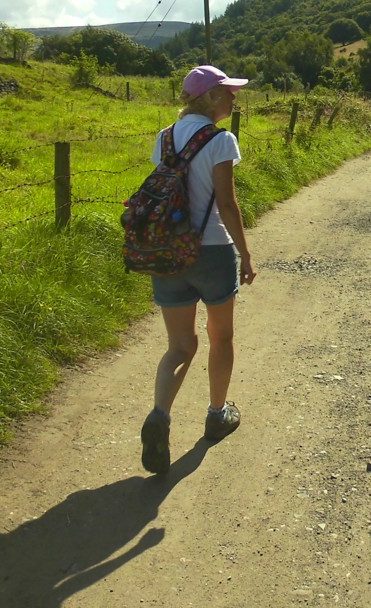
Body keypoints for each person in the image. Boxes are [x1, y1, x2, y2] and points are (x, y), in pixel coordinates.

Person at [140, 65, 257, 474]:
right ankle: (217, 413)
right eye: (227, 92)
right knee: (220, 337)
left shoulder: (165, 137)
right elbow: (227, 204)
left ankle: (160, 414)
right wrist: (245, 253)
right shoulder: (222, 140)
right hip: (210, 251)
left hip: (168, 252)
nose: (233, 98)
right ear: (208, 97)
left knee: (179, 346)